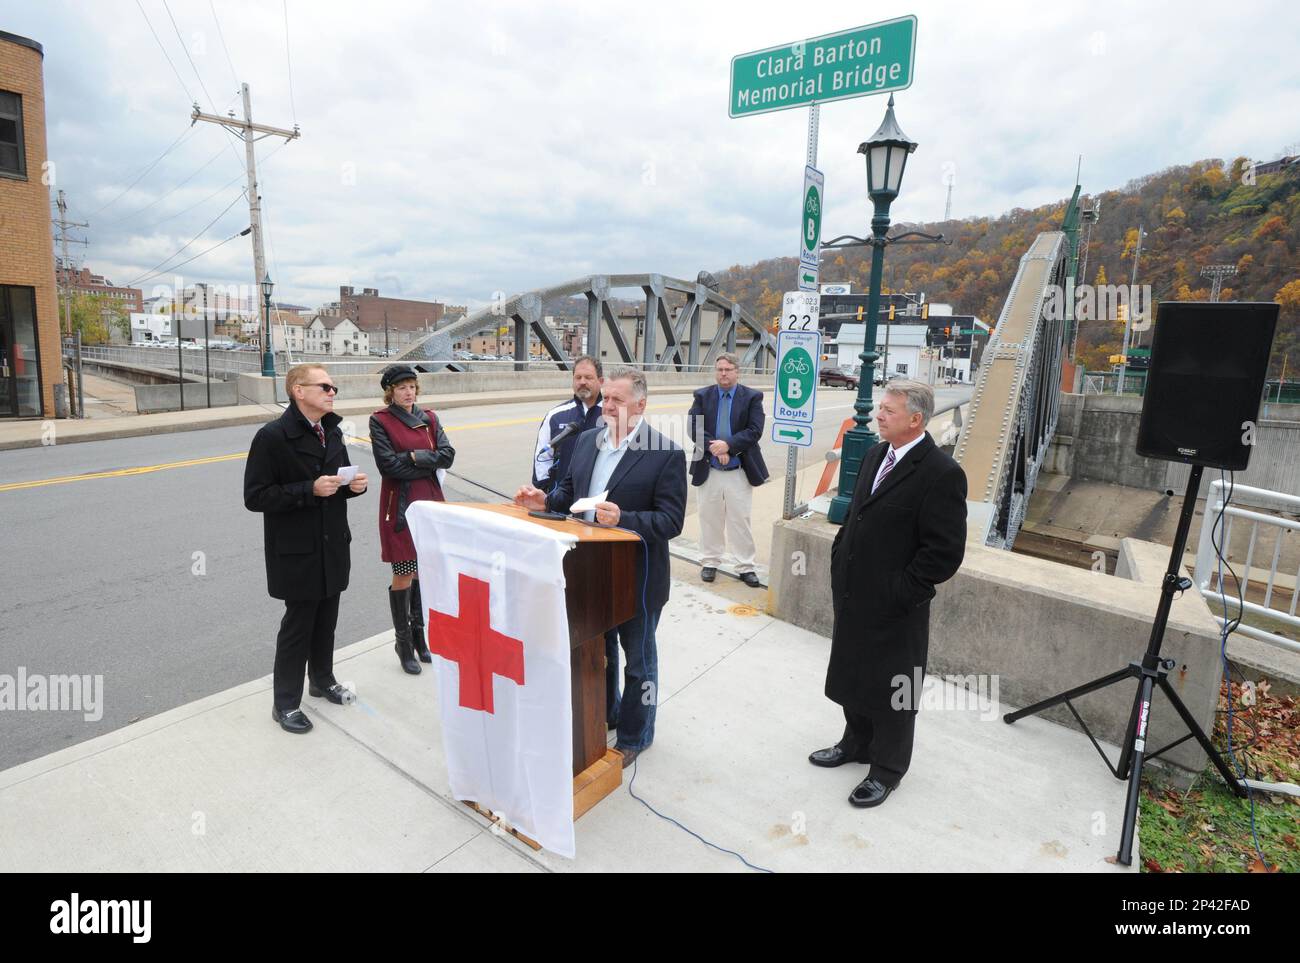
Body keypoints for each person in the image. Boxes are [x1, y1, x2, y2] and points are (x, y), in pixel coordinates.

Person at [514, 365, 686, 768]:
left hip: (638, 578)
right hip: (590, 570)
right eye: (606, 397)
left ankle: (635, 735)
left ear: (641, 405)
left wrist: (622, 518)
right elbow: (570, 494)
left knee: (640, 660)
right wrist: (543, 500)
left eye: (617, 399)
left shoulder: (666, 453)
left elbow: (670, 522)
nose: (606, 405)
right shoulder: (588, 440)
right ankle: (605, 714)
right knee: (599, 649)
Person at [811, 380, 967, 807]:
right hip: (853, 594)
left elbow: (944, 553)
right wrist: (840, 557)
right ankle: (855, 743)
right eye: (879, 408)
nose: (878, 416)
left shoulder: (942, 473)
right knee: (853, 673)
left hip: (896, 607)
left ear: (915, 420)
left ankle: (887, 769)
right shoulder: (876, 453)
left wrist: (901, 592)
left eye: (888, 411)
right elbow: (858, 515)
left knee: (895, 688)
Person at [244, 364, 368, 734]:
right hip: (297, 549)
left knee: (326, 619)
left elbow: (337, 479)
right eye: (325, 386)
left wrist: (352, 485)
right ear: (299, 390)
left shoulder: (331, 431)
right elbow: (255, 496)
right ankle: (284, 703)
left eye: (334, 387)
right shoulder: (272, 436)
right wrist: (307, 490)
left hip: (332, 543)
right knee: (298, 626)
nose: (332, 392)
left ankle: (322, 679)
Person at [369, 365, 456, 675]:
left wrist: (412, 457)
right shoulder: (381, 421)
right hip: (402, 506)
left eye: (411, 386)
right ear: (390, 391)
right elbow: (389, 467)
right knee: (404, 571)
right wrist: (423, 460)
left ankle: (421, 637)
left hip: (431, 503)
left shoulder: (430, 418)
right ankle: (403, 642)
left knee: (424, 572)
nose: (408, 392)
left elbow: (447, 455)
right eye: (401, 387)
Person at [686, 352, 768, 587]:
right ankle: (710, 562)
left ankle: (745, 566)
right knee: (709, 518)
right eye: (720, 369)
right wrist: (716, 449)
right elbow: (694, 427)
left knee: (739, 520)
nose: (723, 373)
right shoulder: (702, 396)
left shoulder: (752, 397)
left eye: (728, 369)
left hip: (739, 470)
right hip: (709, 468)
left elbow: (754, 430)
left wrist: (728, 446)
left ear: (737, 372)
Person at [532, 355, 603, 491]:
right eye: (578, 377)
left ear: (601, 381)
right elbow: (542, 458)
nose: (582, 382)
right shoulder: (555, 416)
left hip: (598, 501)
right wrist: (548, 493)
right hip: (560, 500)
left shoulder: (614, 415)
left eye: (588, 377)